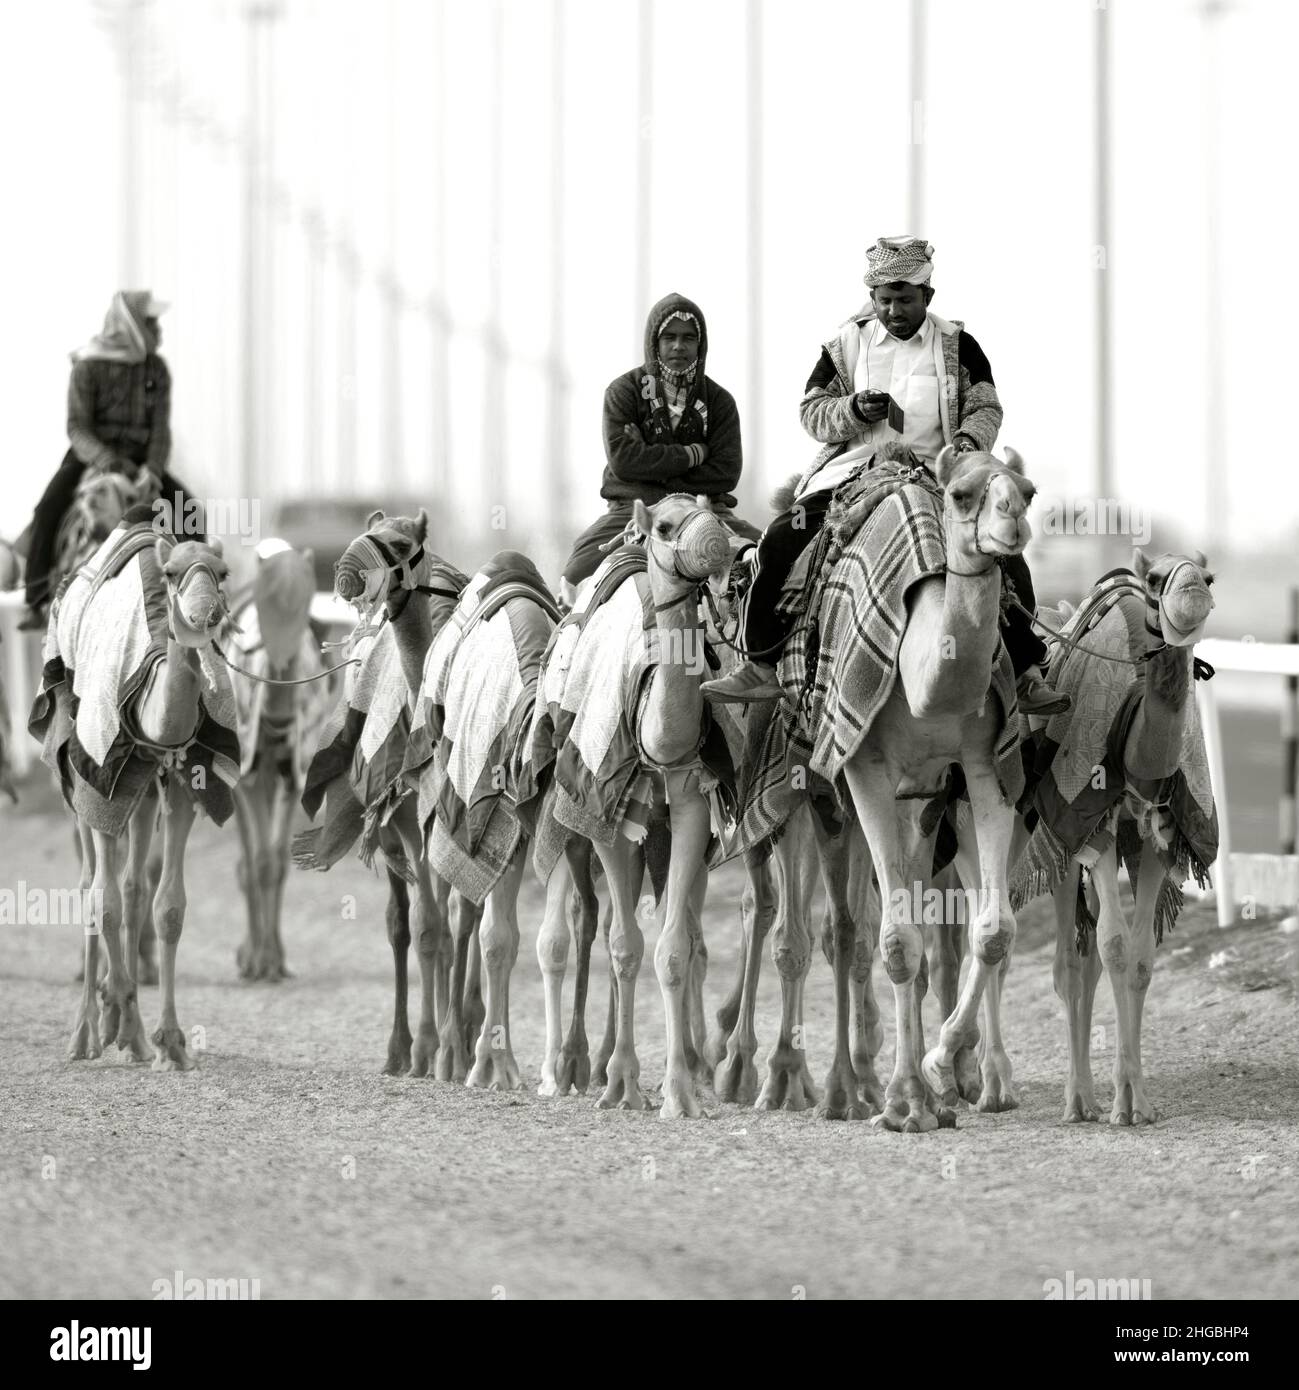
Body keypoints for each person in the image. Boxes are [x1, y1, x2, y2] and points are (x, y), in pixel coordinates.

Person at [701, 236, 1068, 716]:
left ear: (927, 298)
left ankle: (1025, 670)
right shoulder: (844, 344)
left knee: (1002, 545)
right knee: (779, 540)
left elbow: (985, 406)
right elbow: (812, 412)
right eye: (885, 301)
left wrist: (967, 445)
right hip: (854, 473)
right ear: (872, 298)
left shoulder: (960, 345)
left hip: (938, 474)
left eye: (905, 300)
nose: (894, 310)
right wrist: (851, 409)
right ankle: (761, 665)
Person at [560, 291, 760, 602]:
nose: (678, 346)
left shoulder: (720, 402)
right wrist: (694, 454)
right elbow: (624, 462)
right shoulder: (623, 392)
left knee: (767, 560)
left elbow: (725, 473)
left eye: (688, 338)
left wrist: (651, 463)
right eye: (669, 337)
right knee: (575, 577)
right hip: (636, 510)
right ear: (654, 342)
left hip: (704, 510)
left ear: (700, 344)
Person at [20, 290, 201, 628]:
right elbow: (77, 428)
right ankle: (36, 596)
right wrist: (110, 463)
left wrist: (154, 469)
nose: (158, 332)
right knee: (49, 508)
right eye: (151, 324)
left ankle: (199, 592)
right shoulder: (87, 366)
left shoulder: (156, 370)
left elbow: (160, 429)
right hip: (91, 456)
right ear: (131, 327)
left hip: (142, 460)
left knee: (192, 512)